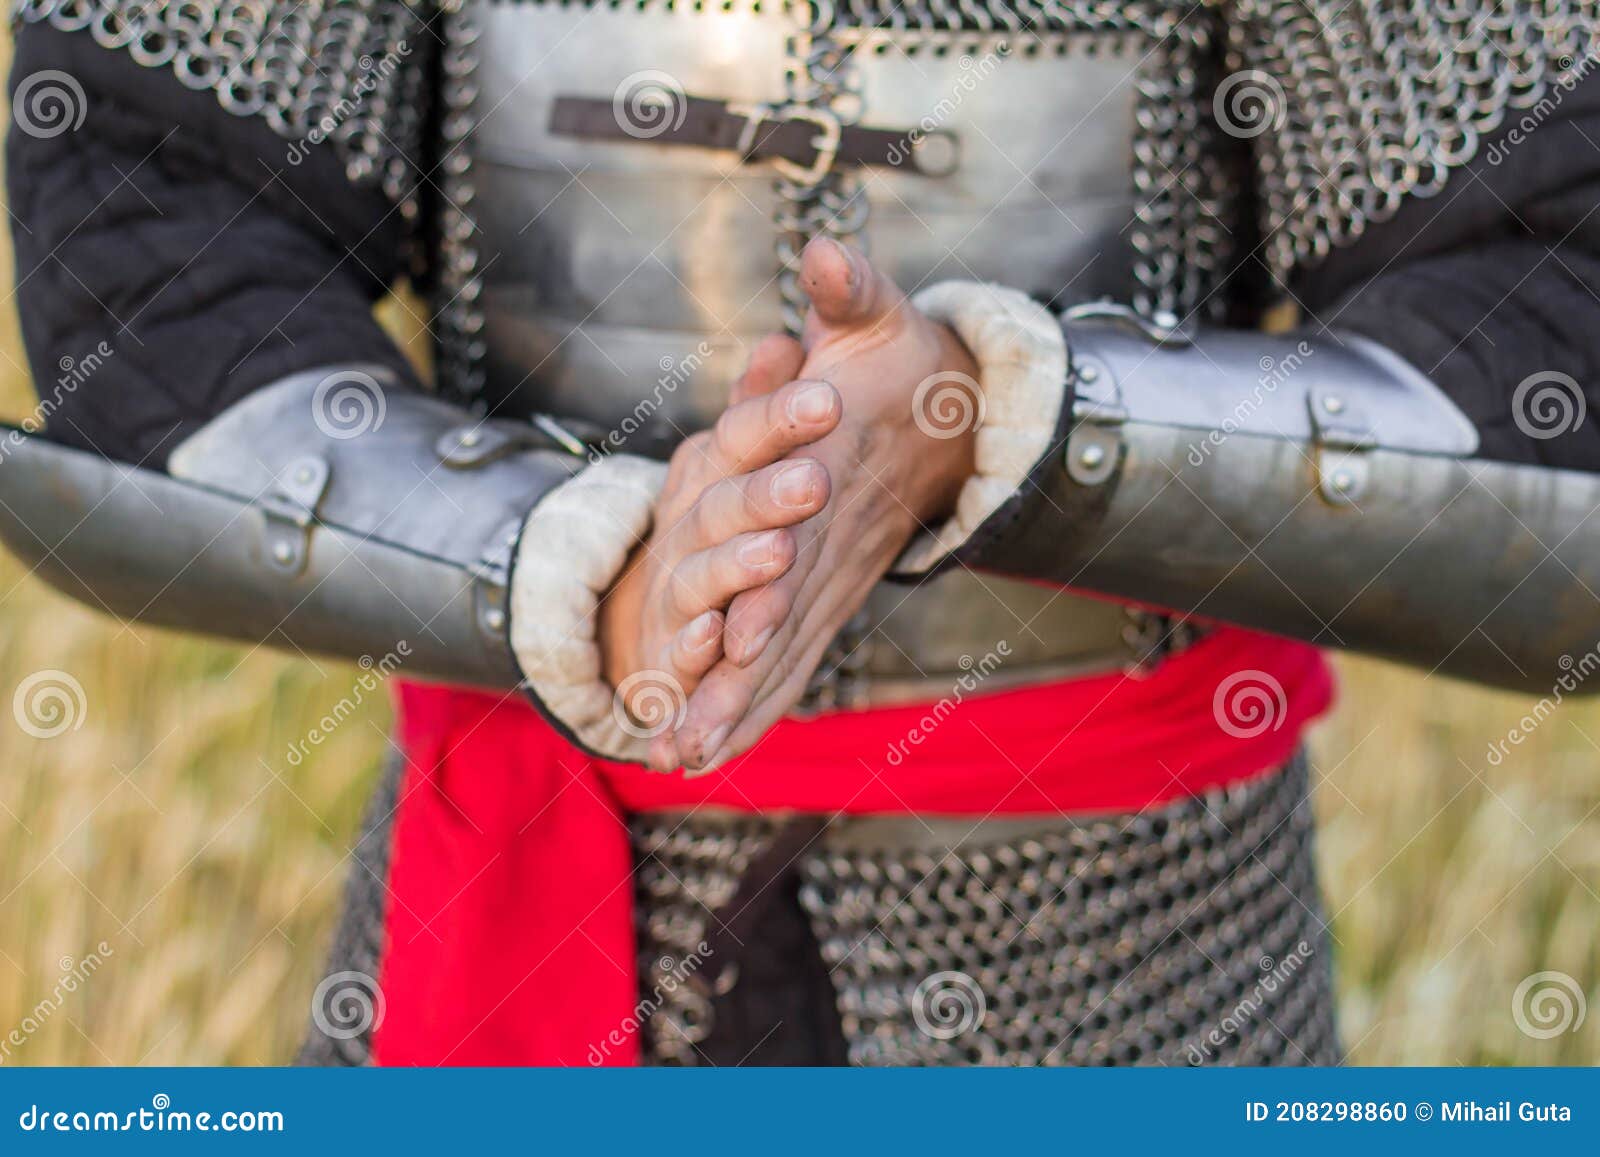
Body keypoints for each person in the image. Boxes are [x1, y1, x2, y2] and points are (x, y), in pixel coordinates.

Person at [4, 0, 1600, 1066]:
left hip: (1127, 938)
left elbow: (1543, 316)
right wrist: (578, 569)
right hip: (522, 877)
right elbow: (161, 230)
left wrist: (1007, 413)